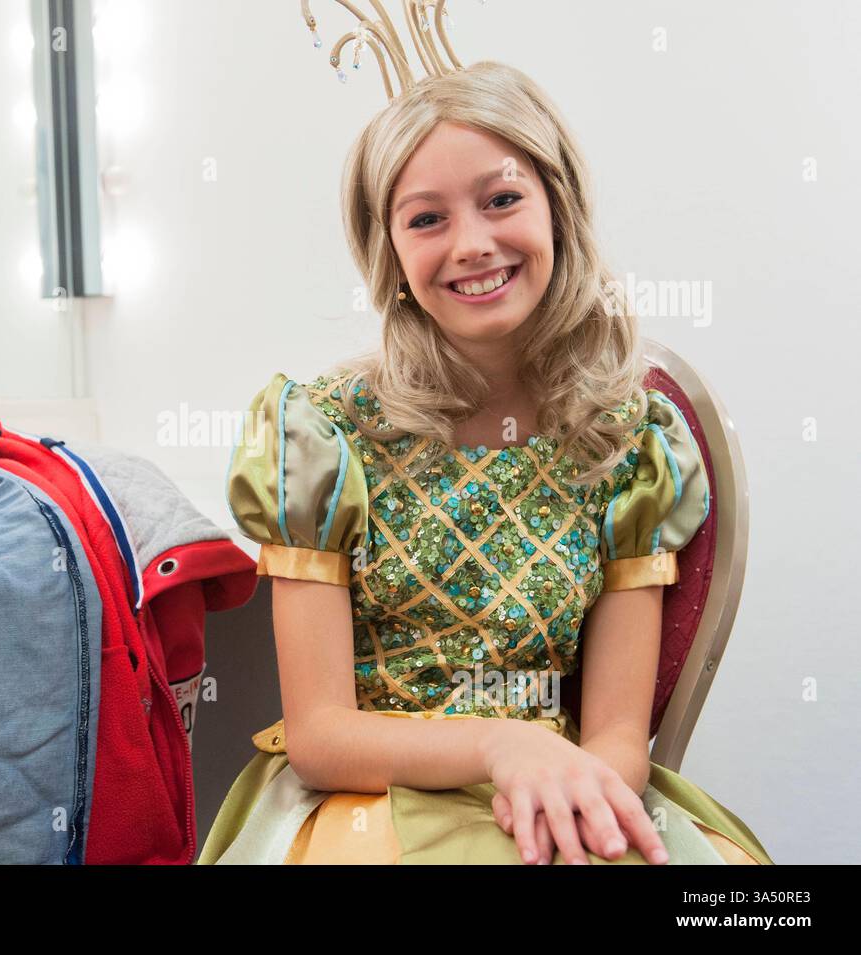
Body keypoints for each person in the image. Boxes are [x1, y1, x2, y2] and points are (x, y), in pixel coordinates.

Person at [198, 59, 773, 865]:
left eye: (502, 199)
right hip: (367, 800)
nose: (471, 244)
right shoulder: (324, 436)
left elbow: (614, 735)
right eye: (425, 218)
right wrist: (504, 745)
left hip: (561, 789)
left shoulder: (628, 445)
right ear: (389, 249)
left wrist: (566, 802)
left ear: (558, 207)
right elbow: (321, 737)